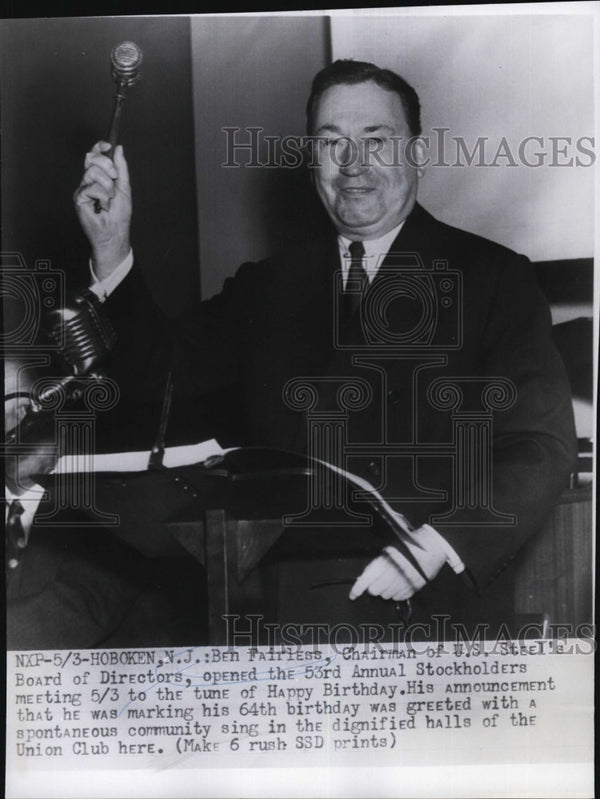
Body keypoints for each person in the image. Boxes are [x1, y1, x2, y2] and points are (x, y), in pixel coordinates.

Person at [72, 59, 576, 636]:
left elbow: (539, 447)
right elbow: (153, 380)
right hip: (277, 617)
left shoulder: (493, 278)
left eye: (375, 139)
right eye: (331, 141)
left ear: (417, 151)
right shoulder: (266, 285)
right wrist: (111, 248)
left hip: (435, 615)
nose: (352, 163)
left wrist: (434, 546)